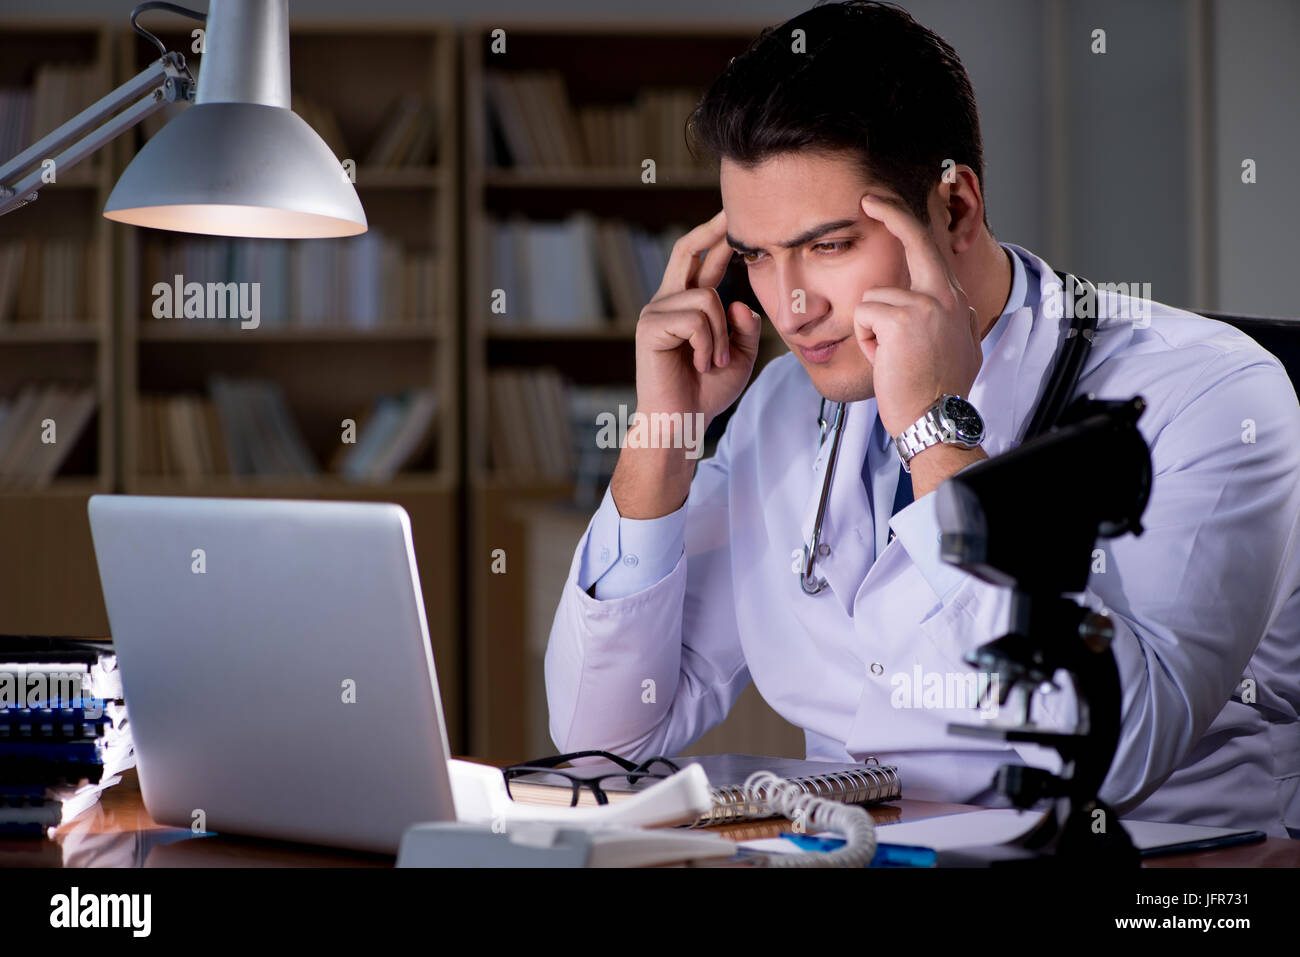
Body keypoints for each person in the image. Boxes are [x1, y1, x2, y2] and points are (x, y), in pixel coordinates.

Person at [544, 0, 1300, 836]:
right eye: (758, 255)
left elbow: (1121, 746)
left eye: (828, 245)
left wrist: (936, 436)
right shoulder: (781, 408)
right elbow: (600, 739)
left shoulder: (1212, 394)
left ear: (956, 209)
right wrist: (662, 437)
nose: (790, 306)